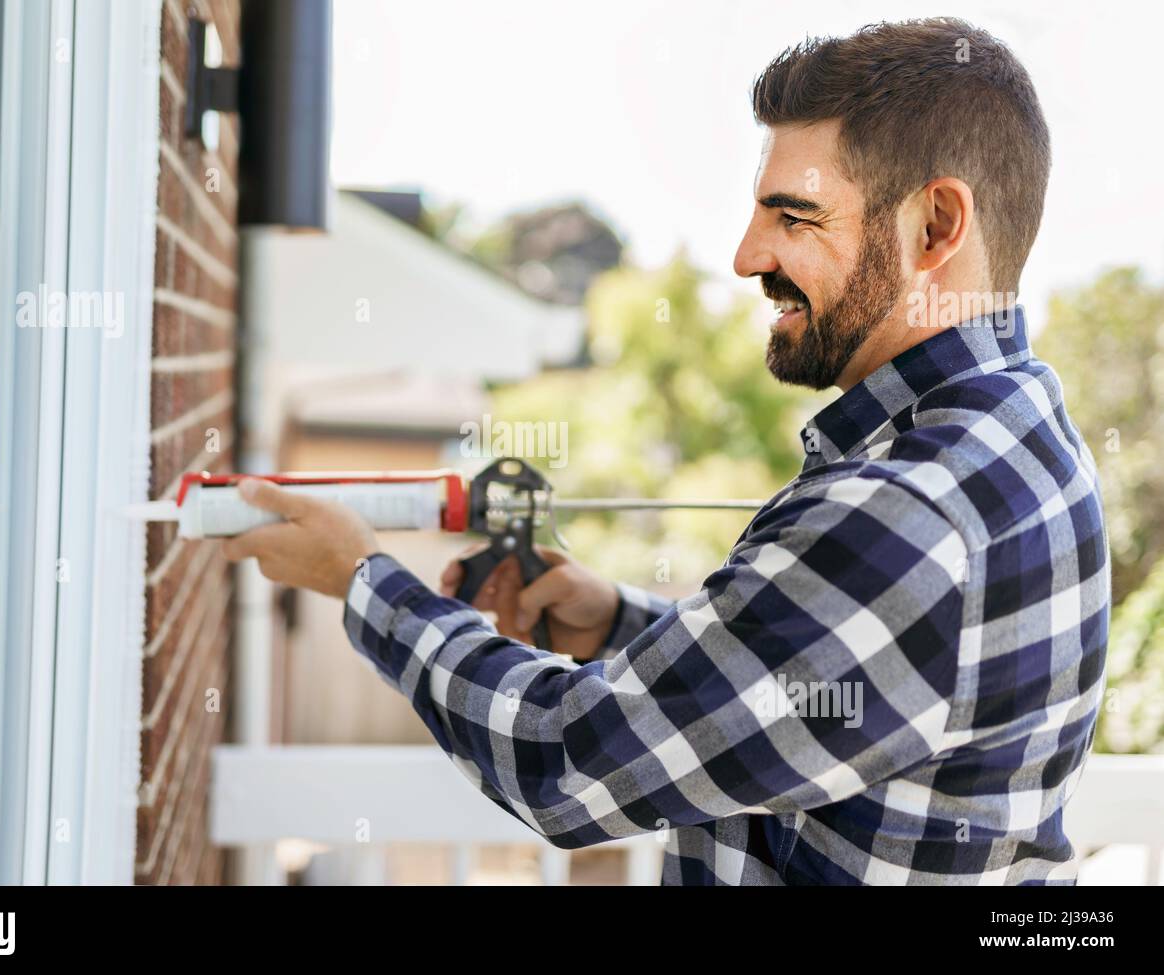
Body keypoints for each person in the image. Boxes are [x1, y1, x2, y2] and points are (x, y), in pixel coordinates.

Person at [223, 17, 1110, 885]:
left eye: (794, 216)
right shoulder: (1029, 438)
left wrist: (364, 579)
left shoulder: (907, 511)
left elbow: (564, 760)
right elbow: (846, 692)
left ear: (934, 228)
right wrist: (618, 621)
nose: (745, 254)